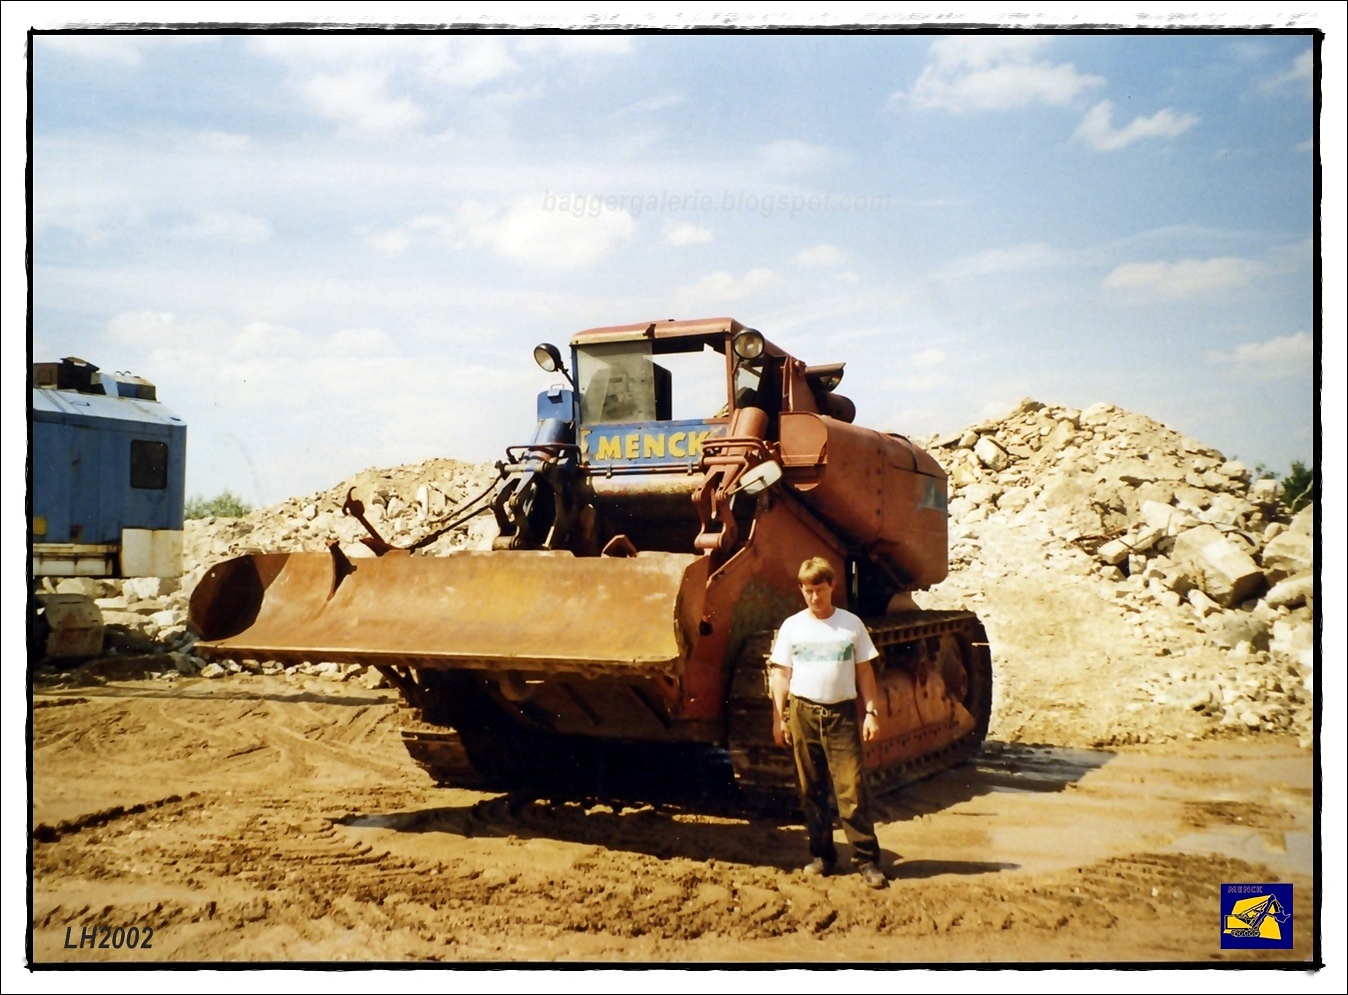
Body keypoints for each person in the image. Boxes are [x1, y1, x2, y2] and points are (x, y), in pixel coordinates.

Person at [768, 556, 887, 889]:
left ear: (832, 586)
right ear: (801, 590)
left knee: (852, 789)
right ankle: (822, 856)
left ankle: (866, 860)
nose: (814, 597)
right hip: (803, 713)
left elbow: (865, 672)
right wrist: (779, 718)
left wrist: (871, 712)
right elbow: (781, 675)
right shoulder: (792, 627)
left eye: (819, 589)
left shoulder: (851, 625)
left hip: (841, 715)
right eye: (808, 590)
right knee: (811, 789)